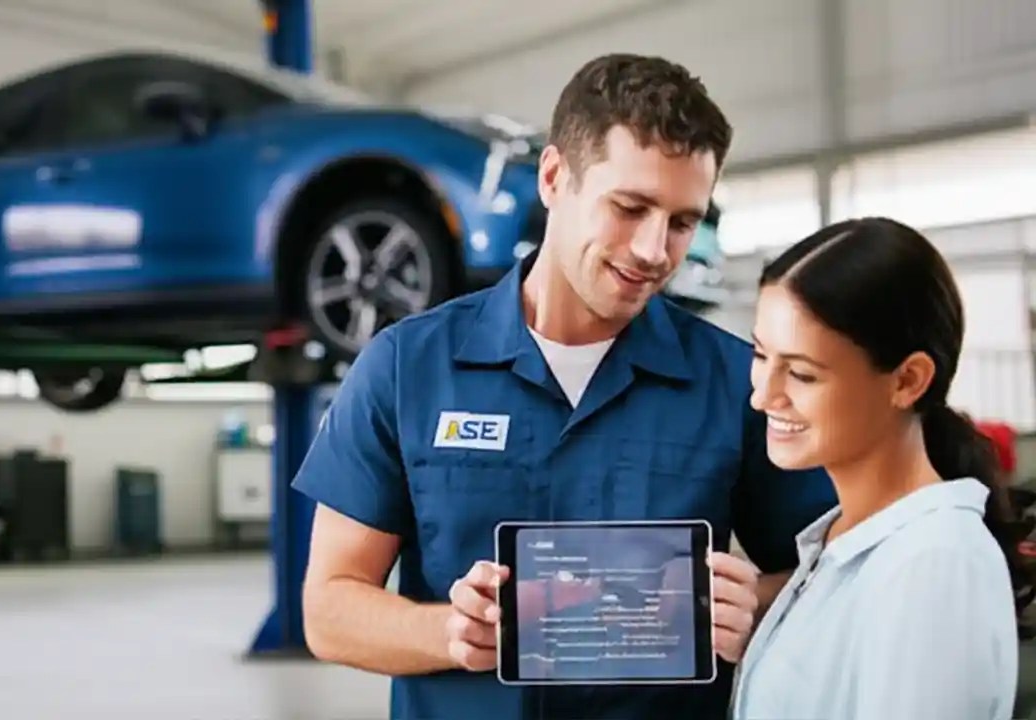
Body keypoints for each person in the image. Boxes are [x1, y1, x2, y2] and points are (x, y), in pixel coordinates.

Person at [291, 53, 837, 720]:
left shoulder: (734, 382)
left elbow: (839, 573)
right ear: (553, 178)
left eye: (682, 221)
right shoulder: (407, 368)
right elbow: (329, 608)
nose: (653, 250)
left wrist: (760, 604)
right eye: (629, 207)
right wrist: (450, 633)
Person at [731, 217, 1023, 720]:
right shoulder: (844, 542)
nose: (762, 395)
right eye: (761, 355)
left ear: (907, 380)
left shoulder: (934, 563)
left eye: (802, 373)